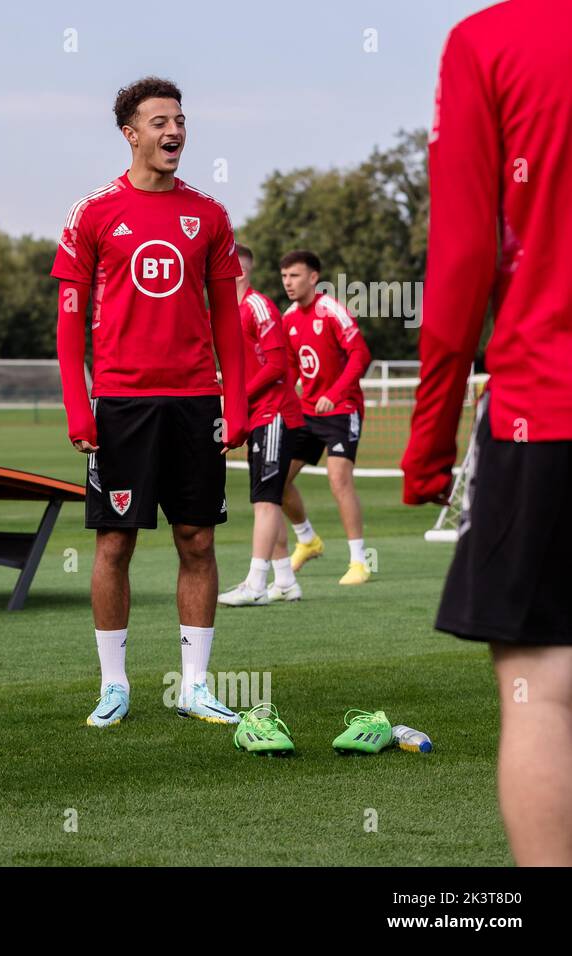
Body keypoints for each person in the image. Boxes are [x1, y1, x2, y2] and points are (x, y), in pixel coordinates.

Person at [403, 0, 572, 866]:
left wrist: (430, 438)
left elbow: (465, 255)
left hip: (547, 409)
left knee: (542, 689)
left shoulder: (490, 39)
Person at [53, 76, 248, 729]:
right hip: (121, 403)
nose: (174, 133)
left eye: (181, 121)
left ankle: (194, 685)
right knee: (114, 543)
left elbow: (229, 320)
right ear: (130, 134)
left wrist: (238, 401)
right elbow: (68, 319)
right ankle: (114, 686)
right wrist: (79, 405)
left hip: (196, 401)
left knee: (197, 539)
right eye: (160, 122)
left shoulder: (211, 216)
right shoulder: (93, 213)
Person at [278, 250, 373, 585]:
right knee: (278, 479)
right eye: (285, 276)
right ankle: (308, 539)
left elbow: (361, 354)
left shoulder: (332, 310)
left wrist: (335, 393)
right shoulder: (287, 318)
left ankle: (359, 561)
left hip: (341, 409)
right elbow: (289, 371)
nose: (288, 282)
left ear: (314, 277)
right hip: (307, 411)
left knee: (338, 480)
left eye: (295, 276)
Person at [217, 243, 304, 606]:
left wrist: (238, 395)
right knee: (266, 499)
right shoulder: (224, 311)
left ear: (240, 268)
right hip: (256, 417)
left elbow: (277, 366)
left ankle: (255, 584)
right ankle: (285, 581)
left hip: (274, 415)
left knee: (265, 502)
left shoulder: (257, 306)